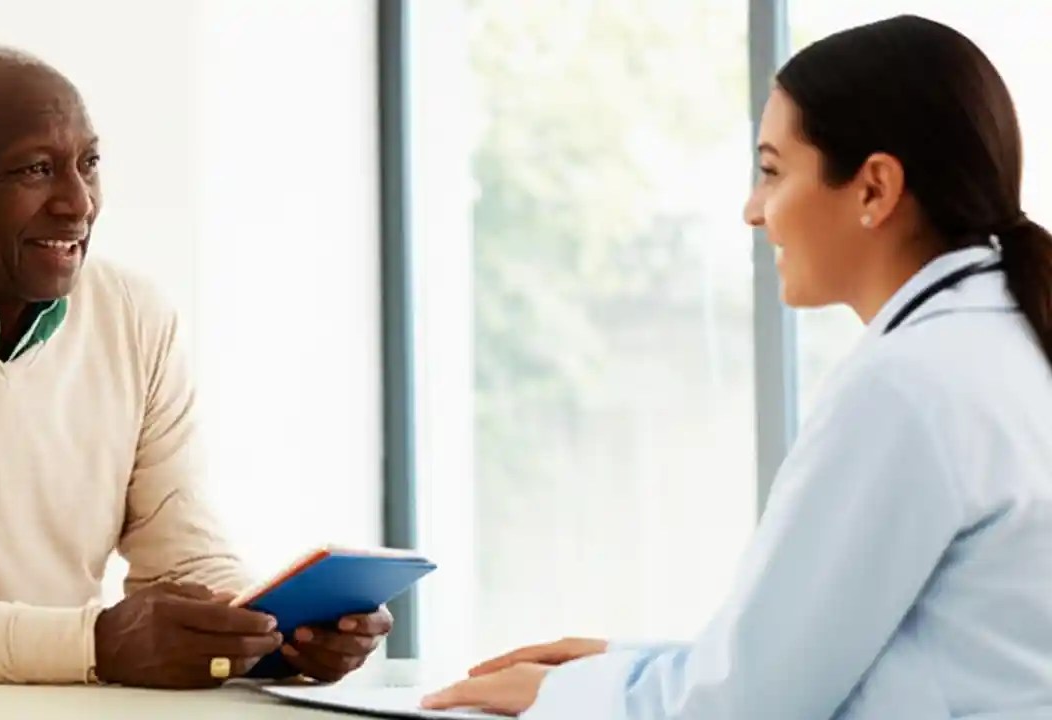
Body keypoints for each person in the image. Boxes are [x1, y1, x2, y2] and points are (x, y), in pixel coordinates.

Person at [422, 14, 1052, 719]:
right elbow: (915, 658)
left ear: (874, 188)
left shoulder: (908, 384)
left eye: (772, 172)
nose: (753, 210)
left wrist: (565, 696)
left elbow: (746, 707)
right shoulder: (1009, 344)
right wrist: (633, 664)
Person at [0, 42, 389, 688]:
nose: (79, 203)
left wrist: (280, 634)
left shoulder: (134, 314)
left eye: (88, 164)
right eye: (35, 170)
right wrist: (96, 641)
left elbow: (182, 556)